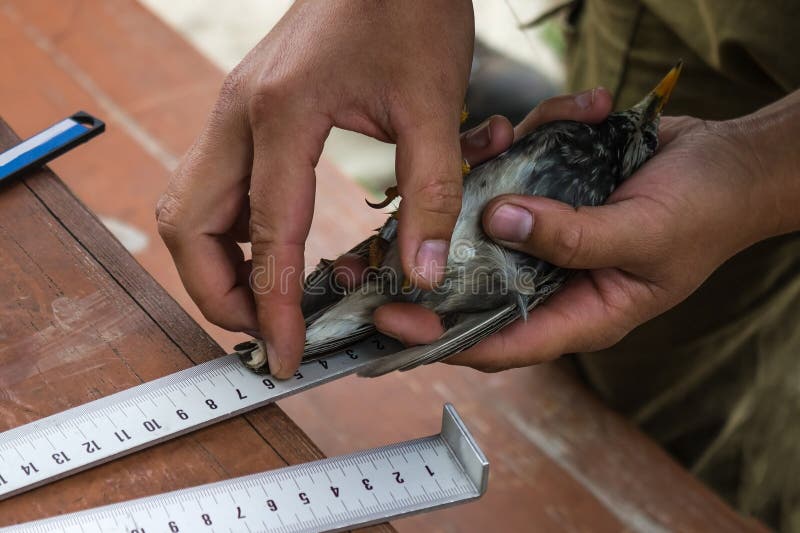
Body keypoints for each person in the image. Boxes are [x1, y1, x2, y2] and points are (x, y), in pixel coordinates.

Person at [155, 1, 800, 529]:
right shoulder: (597, 145)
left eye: (641, 134)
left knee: (677, 384)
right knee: (627, 351)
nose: (638, 119)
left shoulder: (608, 164)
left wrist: (752, 169)